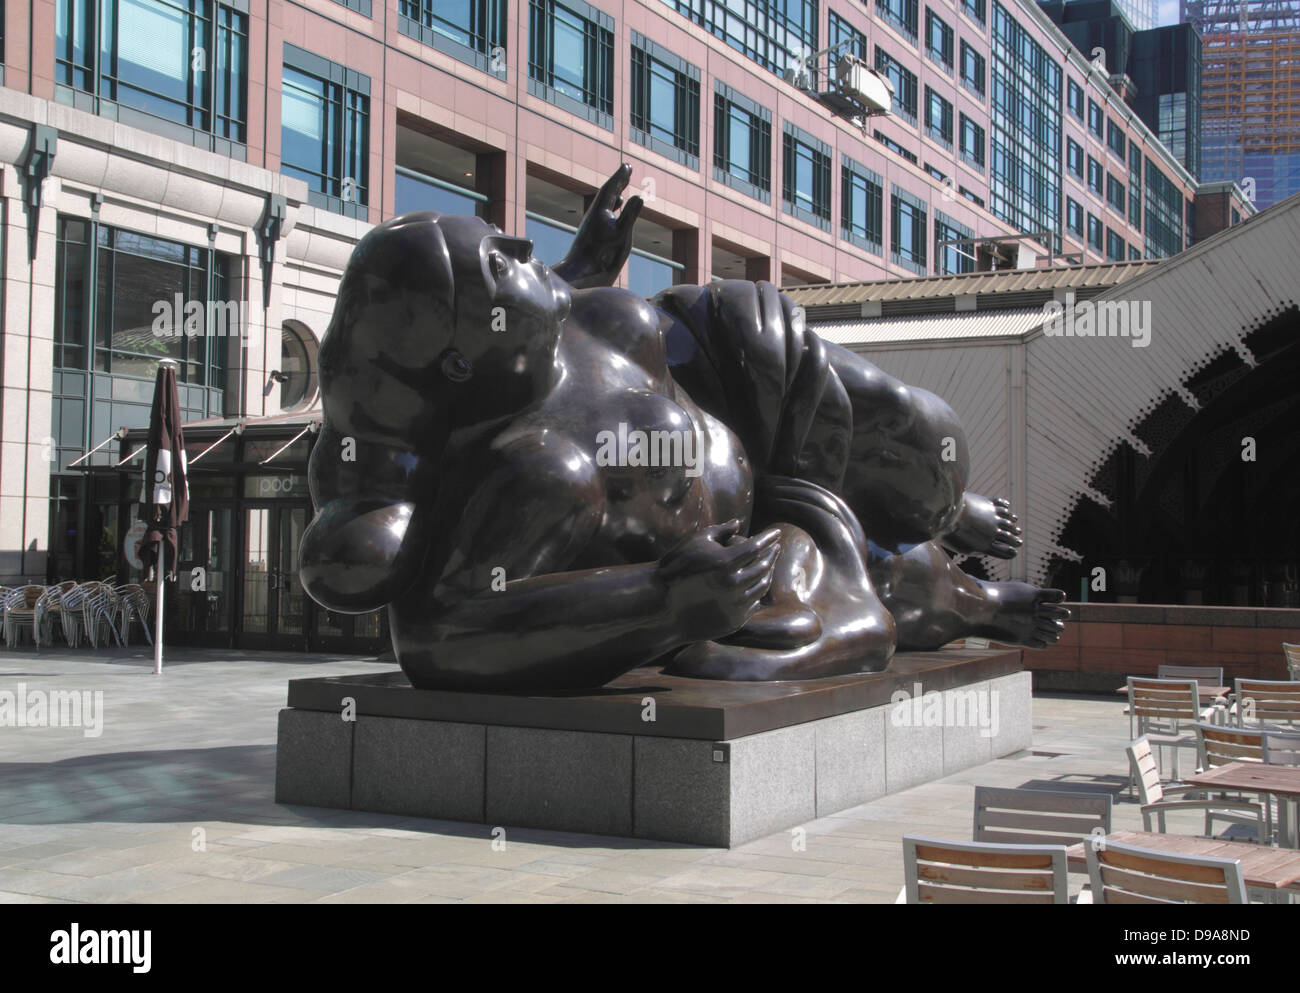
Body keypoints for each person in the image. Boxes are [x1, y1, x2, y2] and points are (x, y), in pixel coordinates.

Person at [299, 166, 1066, 690]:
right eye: (504, 263)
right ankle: (980, 598)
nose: (525, 248)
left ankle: (945, 510)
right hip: (767, 483)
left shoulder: (547, 327)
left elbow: (538, 309)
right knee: (901, 575)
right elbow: (439, 637)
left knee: (935, 453)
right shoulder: (536, 473)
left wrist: (578, 268)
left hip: (725, 355)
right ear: (465, 363)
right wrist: (661, 600)